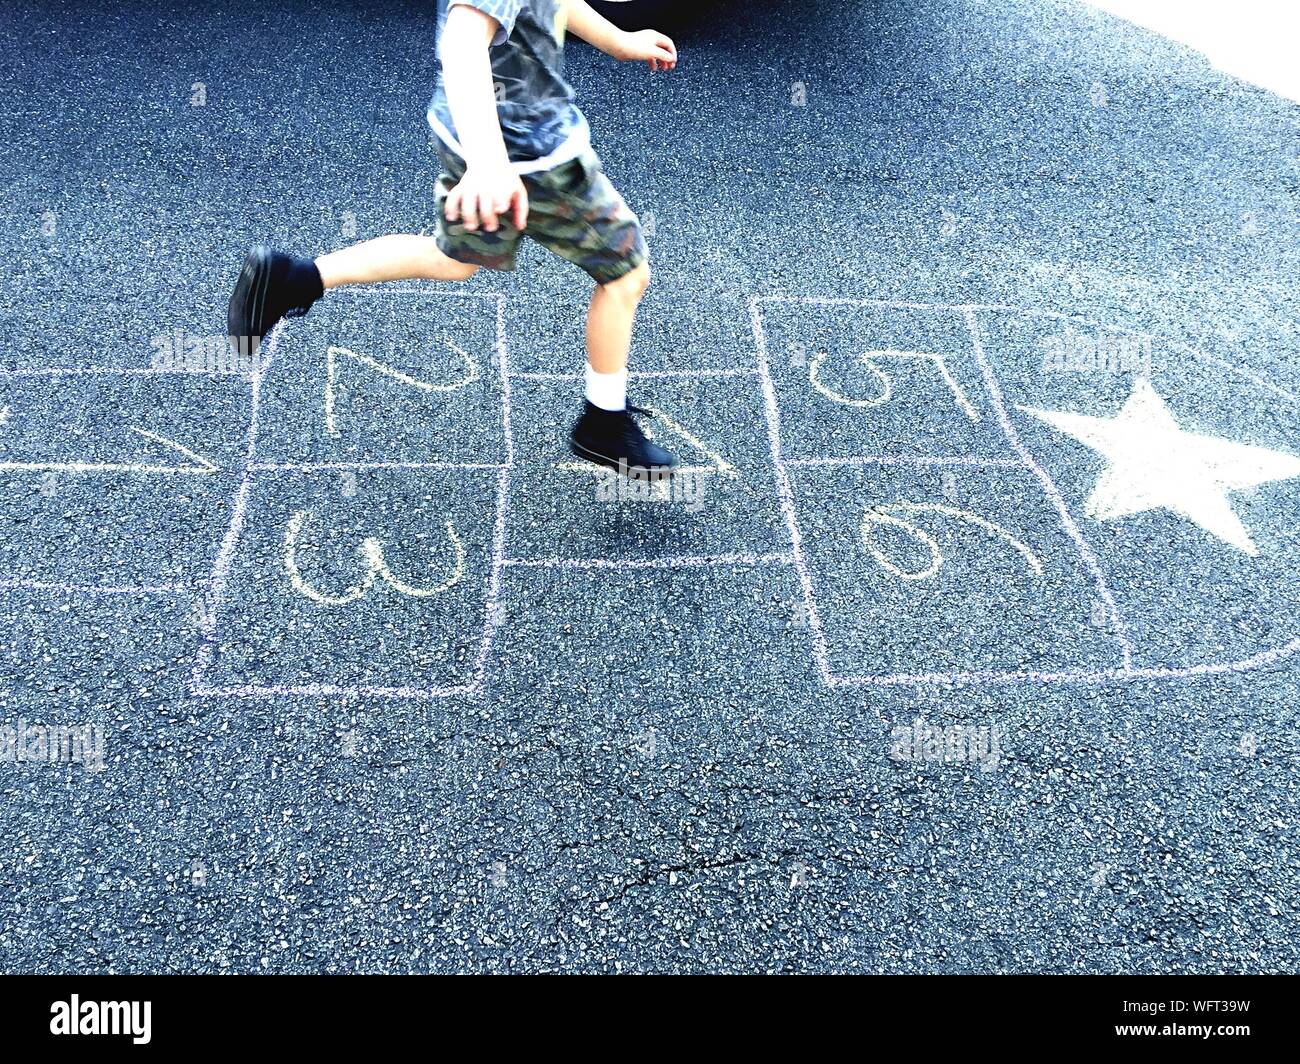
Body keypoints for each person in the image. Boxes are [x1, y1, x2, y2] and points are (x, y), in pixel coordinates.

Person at [227, 0, 680, 475]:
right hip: (527, 157)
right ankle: (604, 422)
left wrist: (618, 40)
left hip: (486, 142)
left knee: (456, 259)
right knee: (625, 274)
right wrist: (489, 164)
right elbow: (463, 42)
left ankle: (294, 279)